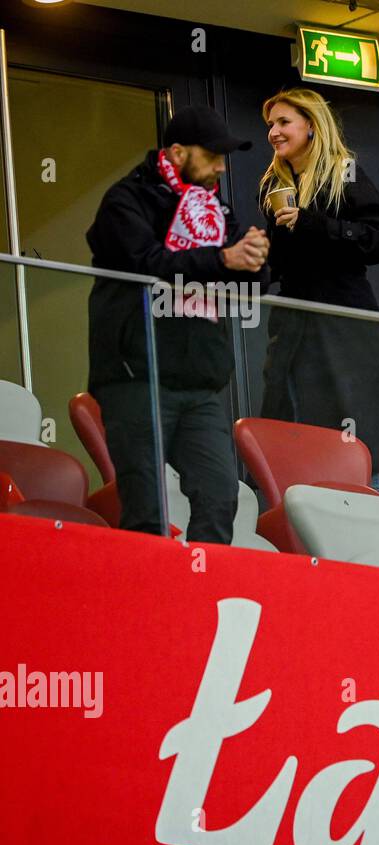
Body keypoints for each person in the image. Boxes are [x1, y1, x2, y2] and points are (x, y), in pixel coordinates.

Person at [87, 105, 268, 543]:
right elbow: (147, 264)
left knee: (221, 497)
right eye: (212, 155)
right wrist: (224, 259)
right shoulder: (127, 199)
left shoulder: (213, 208)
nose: (222, 166)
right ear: (177, 152)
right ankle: (148, 602)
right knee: (146, 507)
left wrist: (254, 256)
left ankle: (200, 597)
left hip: (201, 384)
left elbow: (252, 282)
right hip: (137, 377)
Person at [258, 88, 379, 498]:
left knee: (360, 430)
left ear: (311, 125)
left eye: (283, 122)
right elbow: (277, 263)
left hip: (345, 323)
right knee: (296, 427)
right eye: (270, 125)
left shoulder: (341, 171)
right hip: (295, 328)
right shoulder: (272, 185)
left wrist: (314, 224)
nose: (274, 132)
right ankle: (312, 525)